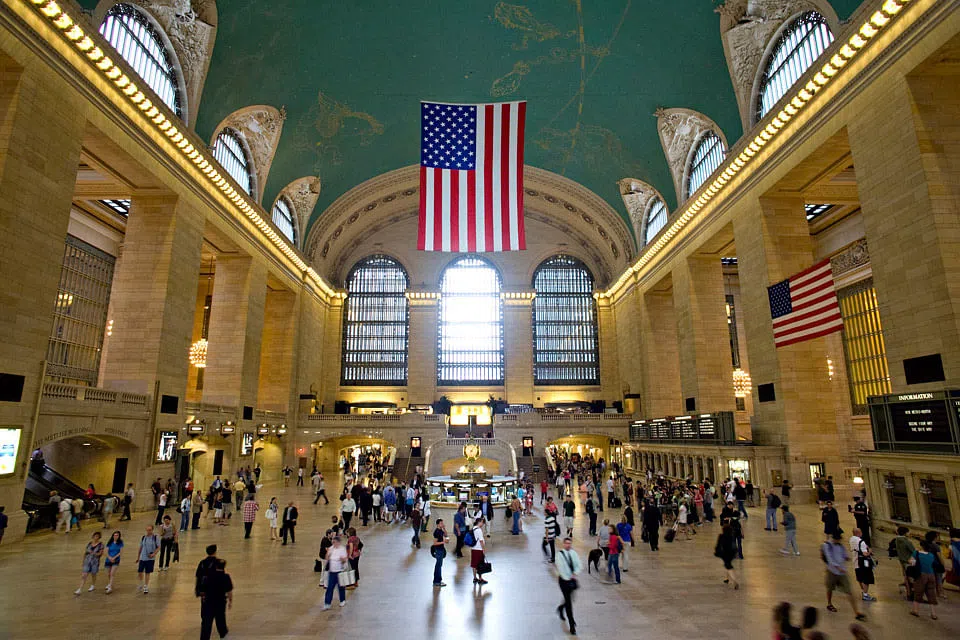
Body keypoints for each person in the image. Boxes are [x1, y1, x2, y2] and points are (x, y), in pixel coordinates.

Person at [821, 531, 865, 620]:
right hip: (832, 571)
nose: (839, 541)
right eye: (838, 540)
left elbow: (844, 555)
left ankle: (857, 612)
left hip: (842, 572)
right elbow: (829, 559)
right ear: (834, 539)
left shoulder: (841, 546)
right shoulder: (827, 545)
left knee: (849, 591)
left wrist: (846, 558)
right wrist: (837, 567)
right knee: (830, 588)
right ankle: (829, 603)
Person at [199, 559, 233, 640]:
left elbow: (202, 590)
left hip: (209, 602)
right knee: (220, 619)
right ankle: (223, 633)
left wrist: (203, 599)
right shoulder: (226, 577)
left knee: (207, 622)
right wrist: (230, 601)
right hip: (220, 602)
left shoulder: (208, 576)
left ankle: (204, 638)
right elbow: (229, 591)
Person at [556, 537, 581, 636]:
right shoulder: (559, 555)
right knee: (569, 602)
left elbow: (579, 565)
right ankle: (572, 624)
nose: (568, 545)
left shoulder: (573, 553)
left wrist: (575, 573)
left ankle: (561, 608)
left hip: (571, 580)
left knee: (568, 599)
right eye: (566, 543)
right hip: (563, 581)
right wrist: (567, 578)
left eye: (569, 543)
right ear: (563, 544)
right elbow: (560, 568)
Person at [909, 540, 939, 619]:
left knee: (918, 592)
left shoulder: (916, 553)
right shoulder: (931, 555)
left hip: (921, 575)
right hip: (931, 575)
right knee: (931, 593)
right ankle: (933, 613)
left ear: (921, 546)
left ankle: (915, 610)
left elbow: (911, 562)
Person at [849, 528, 876, 602]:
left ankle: (863, 591)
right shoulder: (862, 542)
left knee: (860, 578)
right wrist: (870, 551)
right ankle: (865, 595)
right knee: (866, 579)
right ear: (858, 533)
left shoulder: (851, 539)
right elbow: (865, 554)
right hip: (863, 564)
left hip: (856, 562)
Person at [322, 536, 349, 610]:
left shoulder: (342, 549)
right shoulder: (331, 548)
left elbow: (345, 560)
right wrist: (328, 555)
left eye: (335, 542)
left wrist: (342, 559)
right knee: (330, 588)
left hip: (340, 571)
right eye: (333, 542)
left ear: (338, 542)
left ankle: (342, 600)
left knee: (341, 587)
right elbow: (326, 558)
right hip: (332, 572)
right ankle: (327, 603)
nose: (334, 544)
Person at [137, 525, 160, 594]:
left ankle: (146, 586)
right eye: (147, 530)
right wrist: (138, 557)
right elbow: (141, 547)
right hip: (142, 557)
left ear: (152, 530)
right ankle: (141, 583)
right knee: (140, 571)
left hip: (150, 559)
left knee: (147, 572)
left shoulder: (155, 538)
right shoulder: (144, 537)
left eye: (150, 530)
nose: (148, 531)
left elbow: (159, 547)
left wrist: (154, 554)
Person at [716, 522, 739, 589]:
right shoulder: (731, 536)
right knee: (728, 564)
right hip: (731, 553)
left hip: (725, 554)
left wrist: (717, 552)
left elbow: (718, 545)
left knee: (729, 567)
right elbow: (734, 545)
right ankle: (726, 578)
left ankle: (735, 581)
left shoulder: (721, 536)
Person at [470, 517, 488, 585]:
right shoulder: (479, 530)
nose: (483, 524)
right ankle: (480, 578)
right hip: (479, 549)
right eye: (482, 522)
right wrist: (483, 549)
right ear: (479, 522)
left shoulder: (473, 528)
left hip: (473, 548)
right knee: (480, 564)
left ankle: (475, 578)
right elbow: (481, 541)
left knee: (474, 564)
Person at [432, 518, 449, 587]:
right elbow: (435, 543)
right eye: (441, 523)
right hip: (438, 550)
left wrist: (444, 528)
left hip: (441, 549)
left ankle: (438, 580)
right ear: (438, 524)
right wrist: (443, 542)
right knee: (438, 566)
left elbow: (446, 535)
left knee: (439, 565)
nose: (442, 524)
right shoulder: (436, 532)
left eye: (442, 523)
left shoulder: (440, 530)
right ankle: (437, 581)